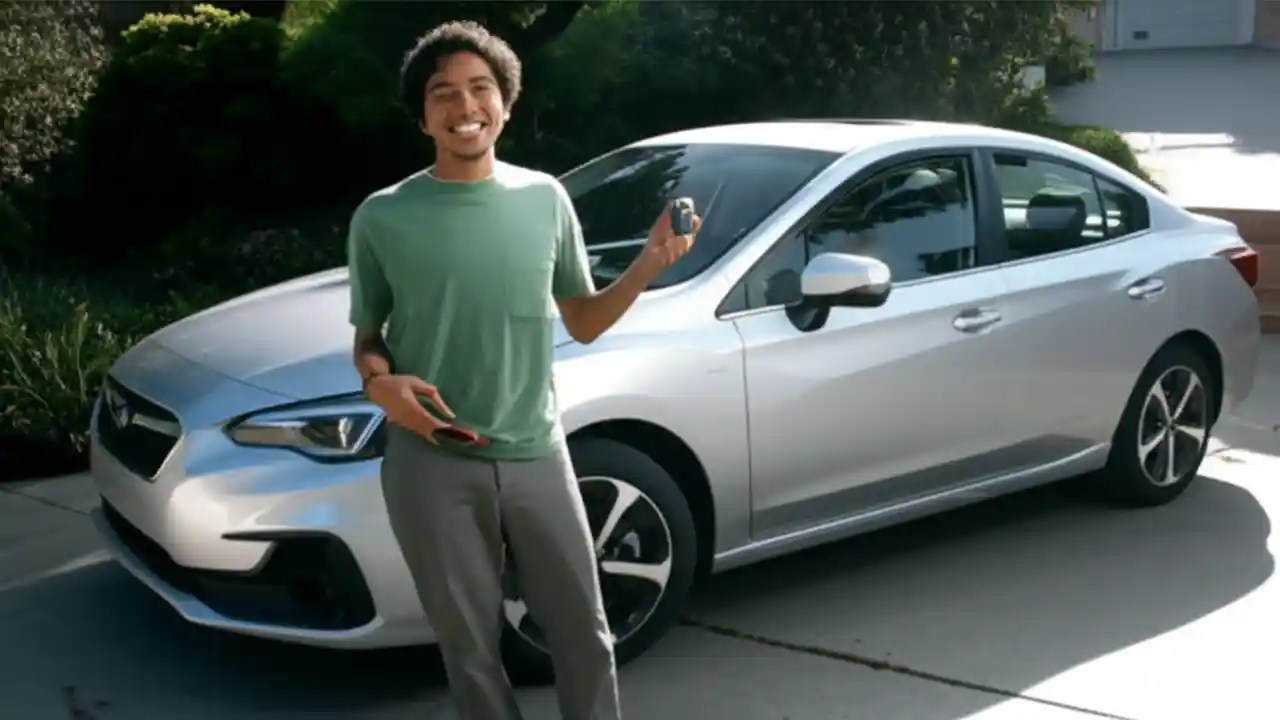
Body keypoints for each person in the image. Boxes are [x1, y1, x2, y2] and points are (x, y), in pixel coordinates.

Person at [345, 20, 699, 720]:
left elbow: (583, 320)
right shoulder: (382, 217)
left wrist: (649, 265)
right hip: (431, 459)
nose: (464, 106)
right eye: (443, 93)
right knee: (469, 649)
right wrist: (378, 385)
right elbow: (368, 338)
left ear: (505, 103)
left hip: (538, 451)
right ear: (422, 115)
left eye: (480, 89)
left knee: (586, 637)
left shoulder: (545, 200)